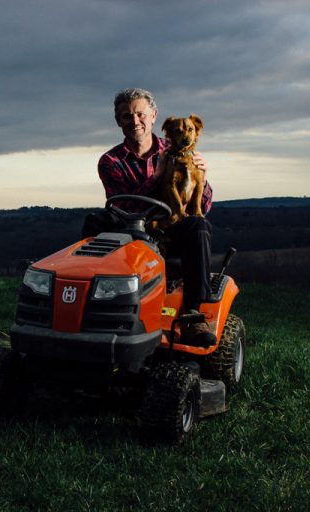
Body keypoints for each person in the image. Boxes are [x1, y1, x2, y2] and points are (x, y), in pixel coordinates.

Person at [81, 87, 216, 346]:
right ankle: (92, 302)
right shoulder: (110, 161)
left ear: (154, 116)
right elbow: (124, 207)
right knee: (95, 221)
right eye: (126, 116)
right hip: (133, 233)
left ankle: (193, 316)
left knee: (199, 224)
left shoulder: (179, 146)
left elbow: (204, 205)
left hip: (172, 228)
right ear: (118, 121)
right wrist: (157, 177)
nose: (135, 121)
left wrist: (202, 177)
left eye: (140, 114)